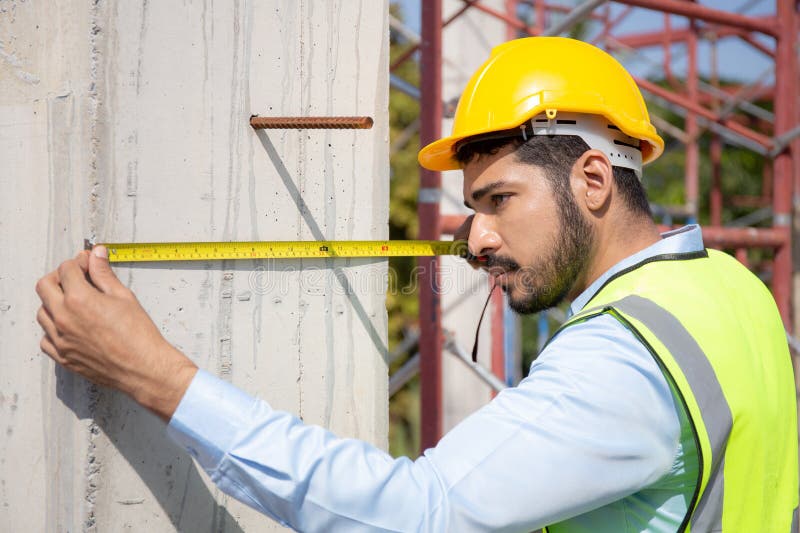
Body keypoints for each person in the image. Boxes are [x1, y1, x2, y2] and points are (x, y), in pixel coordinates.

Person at [35, 36, 797, 532]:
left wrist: (156, 374)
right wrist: (507, 230)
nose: (480, 235)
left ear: (593, 177)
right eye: (472, 211)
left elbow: (417, 513)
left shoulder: (619, 361)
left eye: (500, 200)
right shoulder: (726, 287)